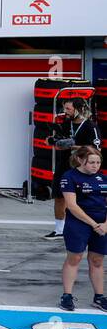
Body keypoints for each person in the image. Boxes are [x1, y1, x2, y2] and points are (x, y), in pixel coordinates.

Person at [57, 146, 107, 312]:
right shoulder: (69, 177)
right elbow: (71, 205)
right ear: (80, 160)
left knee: (97, 260)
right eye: (91, 162)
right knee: (75, 258)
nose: (95, 165)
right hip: (79, 223)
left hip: (102, 224)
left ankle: (99, 296)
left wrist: (105, 224)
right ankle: (67, 296)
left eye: (98, 162)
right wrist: (93, 224)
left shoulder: (103, 178)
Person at [46, 97, 100, 240]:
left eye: (68, 109)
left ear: (79, 109)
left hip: (82, 168)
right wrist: (53, 141)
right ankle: (59, 230)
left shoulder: (90, 126)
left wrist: (73, 146)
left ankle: (88, 226)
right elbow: (56, 141)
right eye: (64, 109)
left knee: (81, 199)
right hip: (63, 165)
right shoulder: (66, 123)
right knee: (58, 196)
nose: (65, 112)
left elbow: (96, 148)